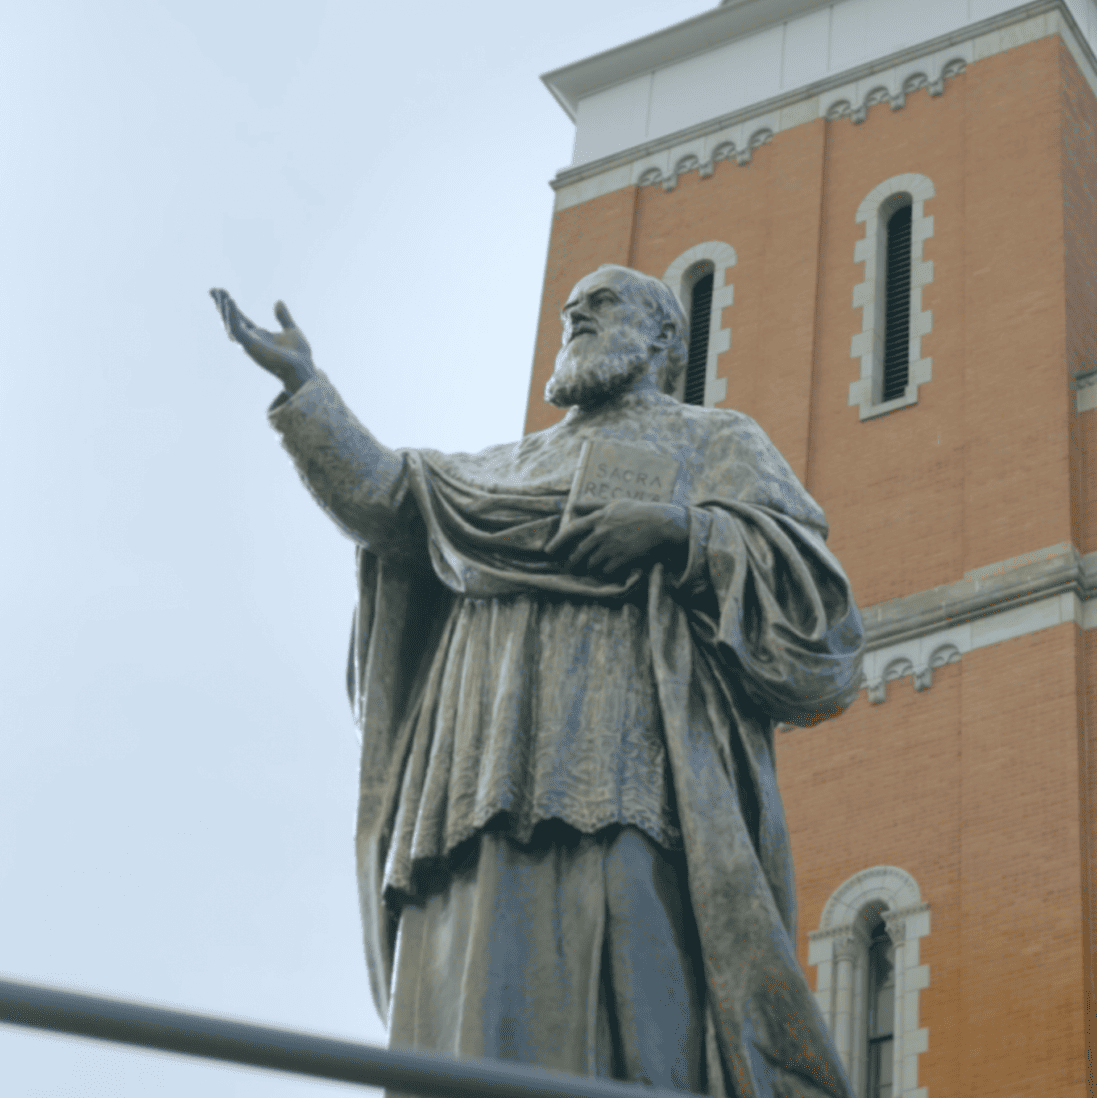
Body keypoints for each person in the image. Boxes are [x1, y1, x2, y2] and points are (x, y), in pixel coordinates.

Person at [210, 265, 864, 1098]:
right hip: (470, 791)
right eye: (571, 305)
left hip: (633, 786)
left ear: (665, 338)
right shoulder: (503, 468)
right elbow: (391, 500)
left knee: (635, 1028)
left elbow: (820, 610)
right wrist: (307, 390)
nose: (577, 311)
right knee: (465, 1030)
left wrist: (678, 532)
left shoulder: (717, 443)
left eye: (603, 302)